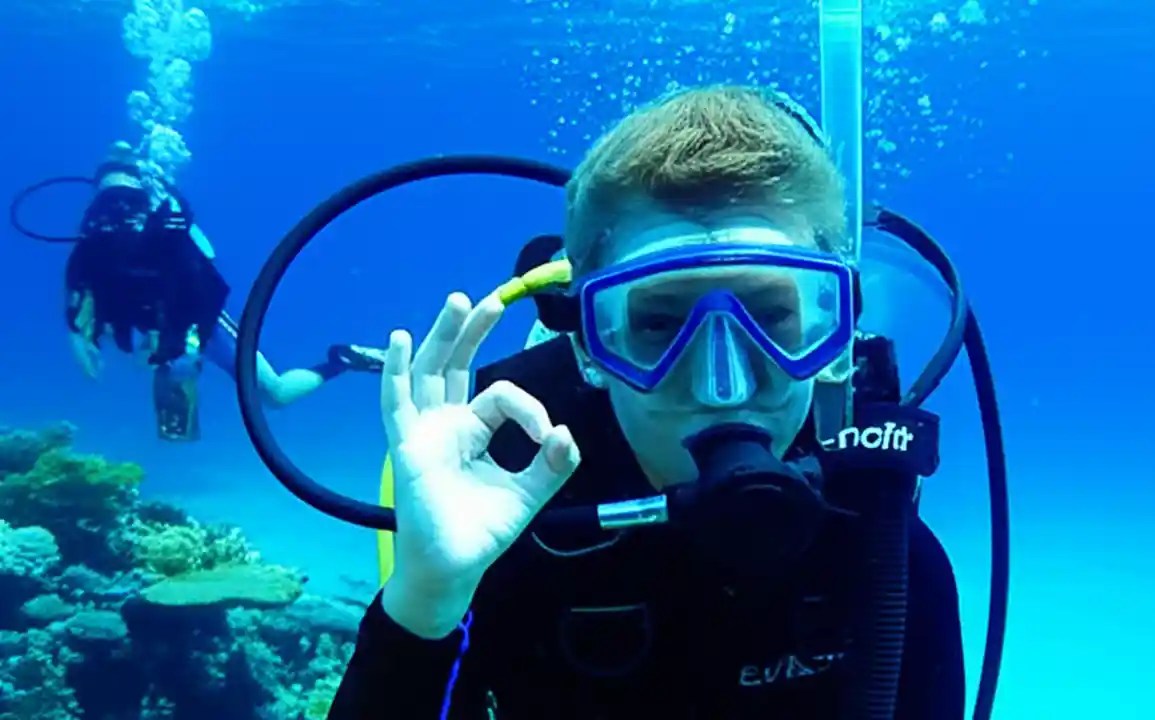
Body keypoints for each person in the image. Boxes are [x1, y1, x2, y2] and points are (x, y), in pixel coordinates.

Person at [327, 86, 965, 719]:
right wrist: (425, 605)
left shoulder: (875, 538)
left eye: (772, 318)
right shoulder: (511, 498)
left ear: (833, 336)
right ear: (586, 347)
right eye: (660, 326)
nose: (726, 388)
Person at [64, 142, 385, 440]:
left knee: (276, 394)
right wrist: (81, 338)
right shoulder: (90, 247)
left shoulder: (168, 230)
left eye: (127, 198)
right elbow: (79, 296)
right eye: (109, 200)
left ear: (144, 193)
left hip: (202, 322)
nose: (119, 210)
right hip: (156, 331)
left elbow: (203, 278)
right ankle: (174, 380)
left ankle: (342, 360)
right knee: (176, 407)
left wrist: (183, 337)